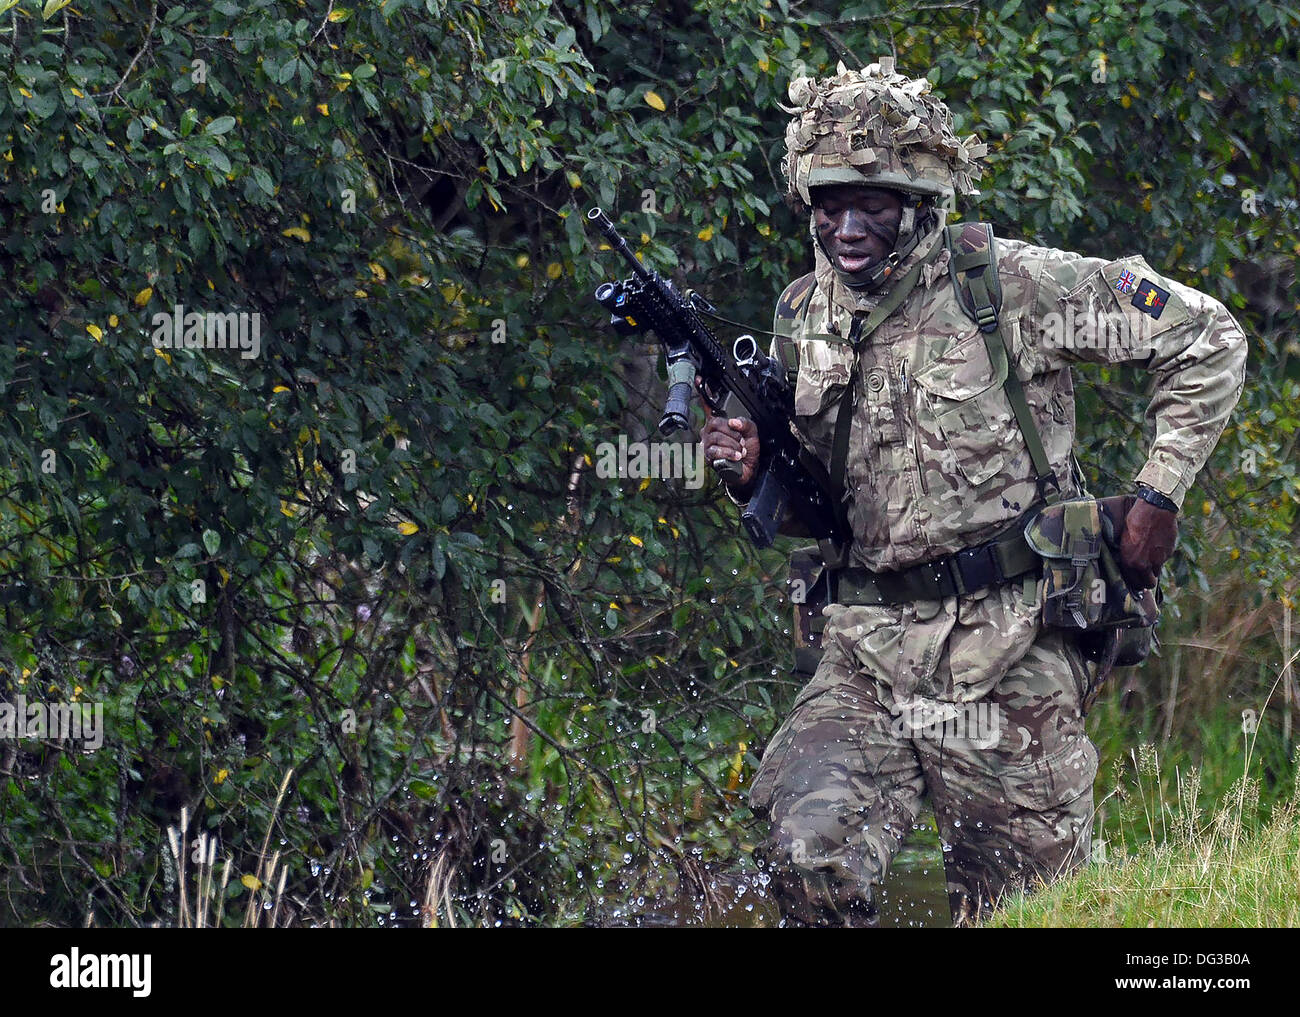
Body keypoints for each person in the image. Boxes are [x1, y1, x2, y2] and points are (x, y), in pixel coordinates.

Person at [701, 58, 1247, 926]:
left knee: (1026, 908)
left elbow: (1208, 337)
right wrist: (752, 465)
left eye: (871, 204)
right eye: (829, 204)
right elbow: (817, 500)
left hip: (1009, 643)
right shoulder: (802, 310)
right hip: (865, 654)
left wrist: (1159, 491)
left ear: (919, 203)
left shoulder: (1012, 288)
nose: (847, 228)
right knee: (807, 858)